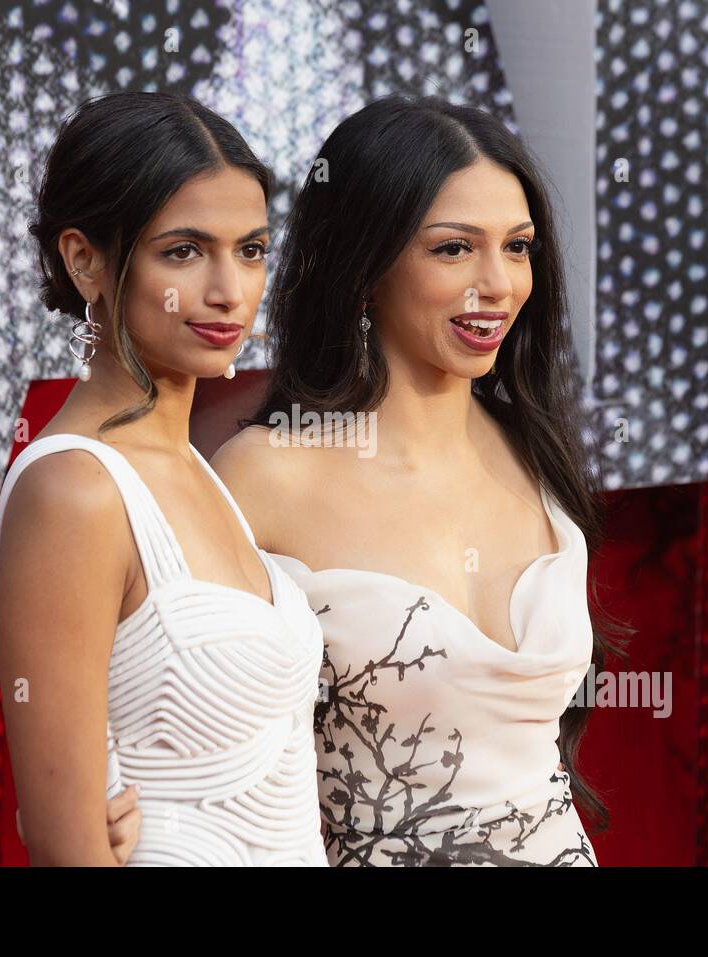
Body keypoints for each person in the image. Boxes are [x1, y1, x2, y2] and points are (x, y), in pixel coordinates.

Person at [213, 95, 630, 866]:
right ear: (363, 266)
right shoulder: (263, 477)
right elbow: (216, 771)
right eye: (453, 249)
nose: (498, 284)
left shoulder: (534, 449)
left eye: (518, 246)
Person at [0, 92, 328, 866]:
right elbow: (67, 844)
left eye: (251, 249)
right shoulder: (74, 489)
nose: (229, 290)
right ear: (86, 260)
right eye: (183, 250)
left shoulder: (201, 472)